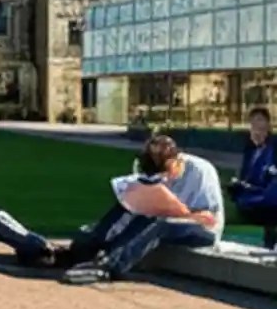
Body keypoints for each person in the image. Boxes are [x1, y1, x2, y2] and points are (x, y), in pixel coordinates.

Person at [61, 135, 223, 285]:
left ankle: (111, 267)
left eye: (165, 173)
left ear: (176, 161)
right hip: (167, 218)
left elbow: (209, 219)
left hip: (202, 229)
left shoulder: (201, 170)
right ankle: (83, 250)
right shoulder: (152, 174)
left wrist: (182, 212)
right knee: (126, 208)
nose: (164, 179)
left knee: (160, 223)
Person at [229, 107, 277, 249]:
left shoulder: (273, 148)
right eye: (253, 125)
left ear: (268, 126)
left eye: (260, 123)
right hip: (252, 193)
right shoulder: (250, 150)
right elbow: (246, 176)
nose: (257, 129)